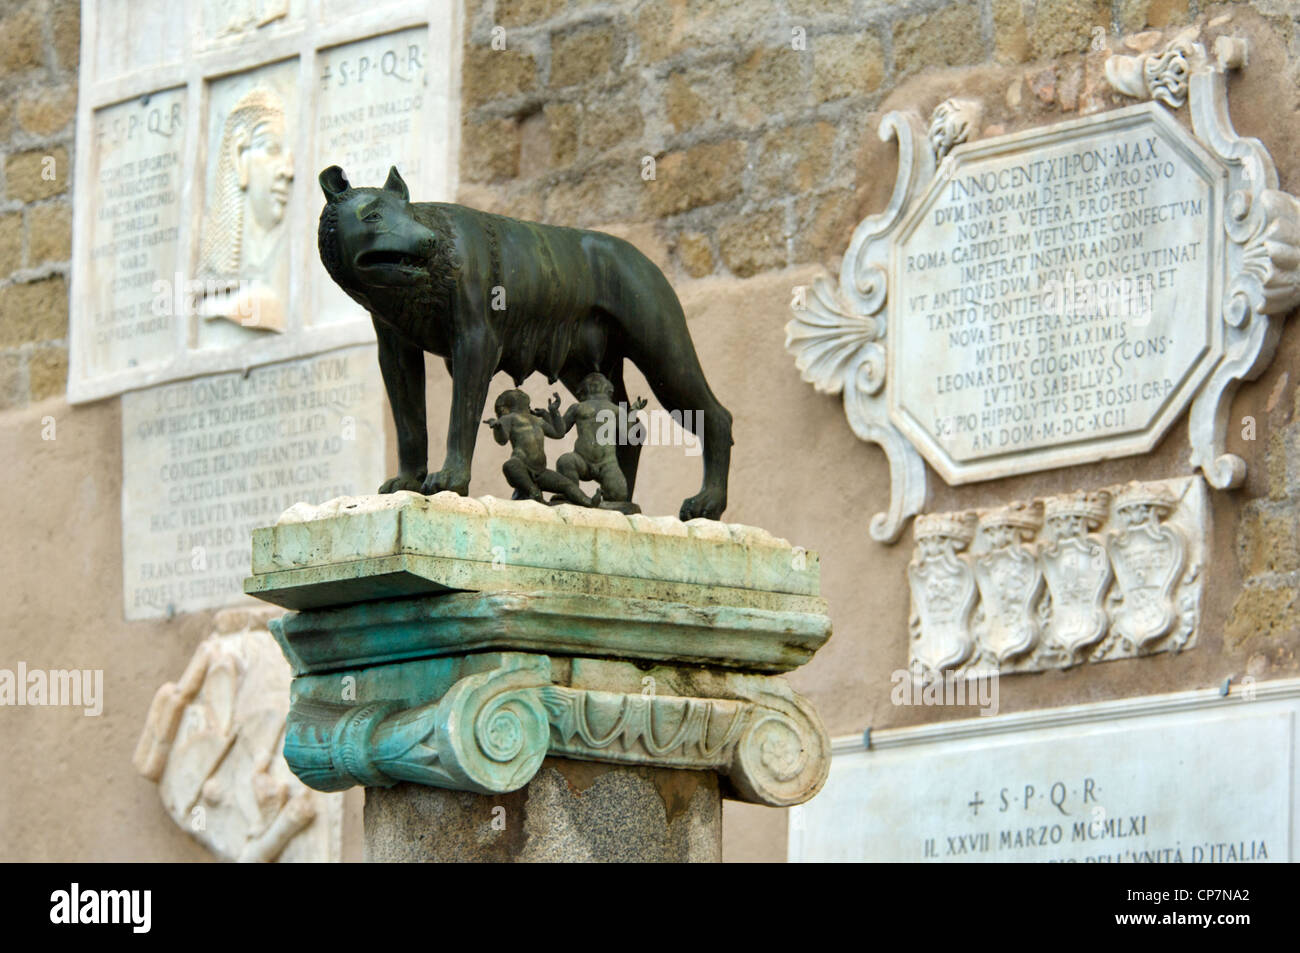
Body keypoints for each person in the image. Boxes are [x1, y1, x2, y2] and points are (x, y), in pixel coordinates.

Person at [485, 389, 599, 506]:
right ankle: (535, 494)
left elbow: (558, 433)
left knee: (567, 485)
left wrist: (553, 412)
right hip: (521, 465)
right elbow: (502, 440)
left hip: (541, 471)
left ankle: (588, 502)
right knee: (510, 466)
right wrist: (498, 427)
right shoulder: (509, 418)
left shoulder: (537, 420)